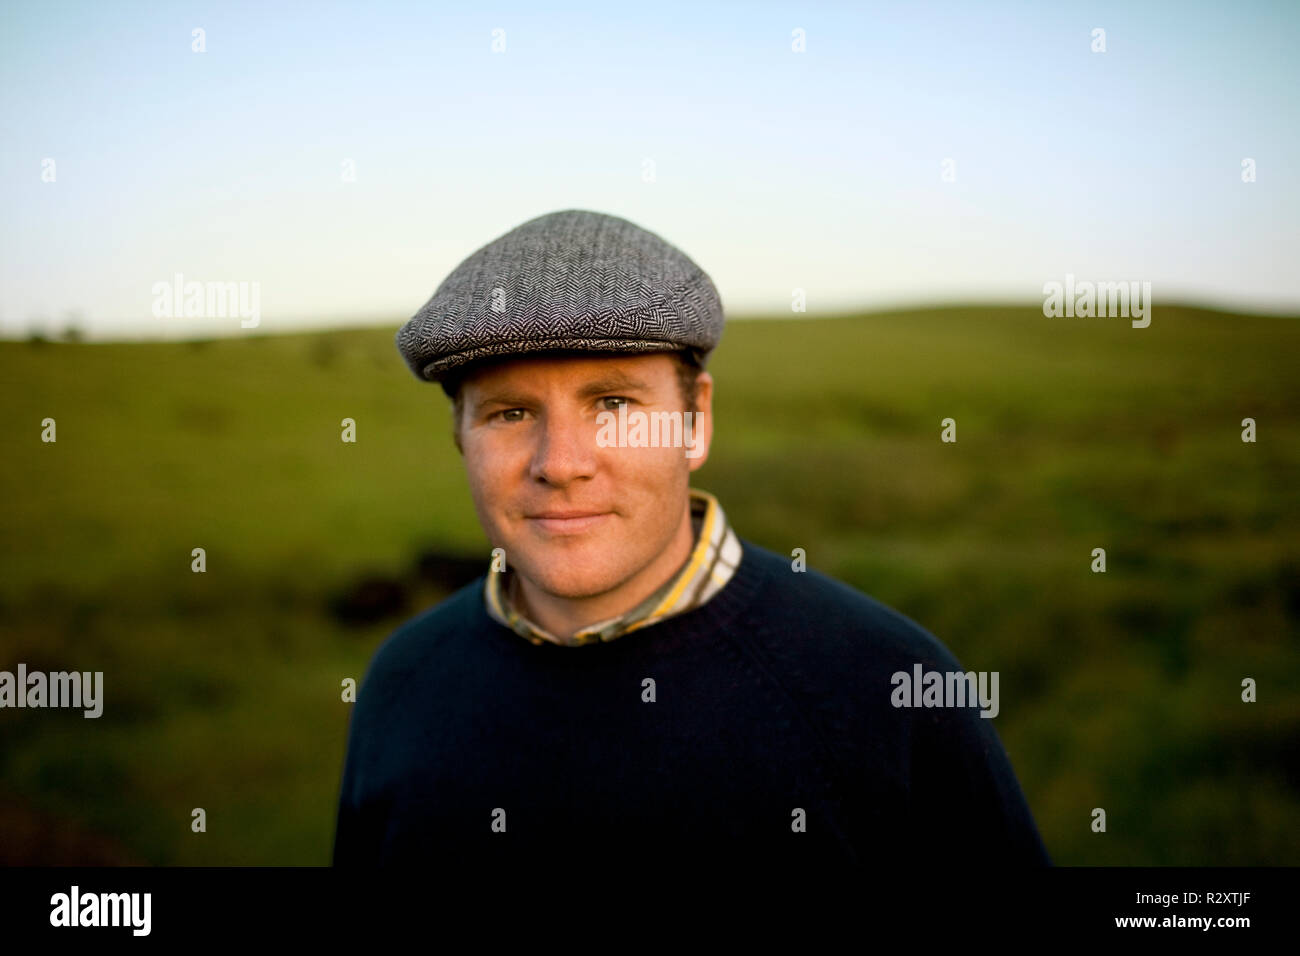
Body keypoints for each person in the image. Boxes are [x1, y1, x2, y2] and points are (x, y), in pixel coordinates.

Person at [332, 209, 1050, 873]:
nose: (560, 463)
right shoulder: (404, 680)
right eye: (510, 413)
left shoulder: (889, 688)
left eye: (612, 404)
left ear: (694, 421)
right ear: (460, 435)